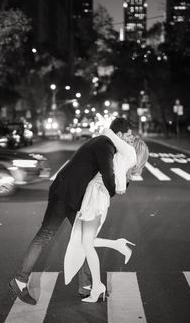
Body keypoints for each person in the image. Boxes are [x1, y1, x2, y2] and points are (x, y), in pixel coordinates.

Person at [9, 117, 133, 305]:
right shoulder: (105, 144)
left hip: (73, 196)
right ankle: (20, 280)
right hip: (65, 194)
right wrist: (114, 192)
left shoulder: (104, 143)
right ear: (120, 135)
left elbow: (110, 174)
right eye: (129, 135)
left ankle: (85, 286)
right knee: (46, 236)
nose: (131, 139)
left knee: (83, 240)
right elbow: (108, 175)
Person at [64, 129, 149, 303]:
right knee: (84, 242)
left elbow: (106, 131)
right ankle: (117, 246)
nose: (128, 140)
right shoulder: (126, 160)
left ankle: (97, 286)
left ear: (133, 147)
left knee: (85, 243)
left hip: (95, 198)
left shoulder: (124, 154)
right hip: (97, 198)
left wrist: (115, 137)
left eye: (130, 140)